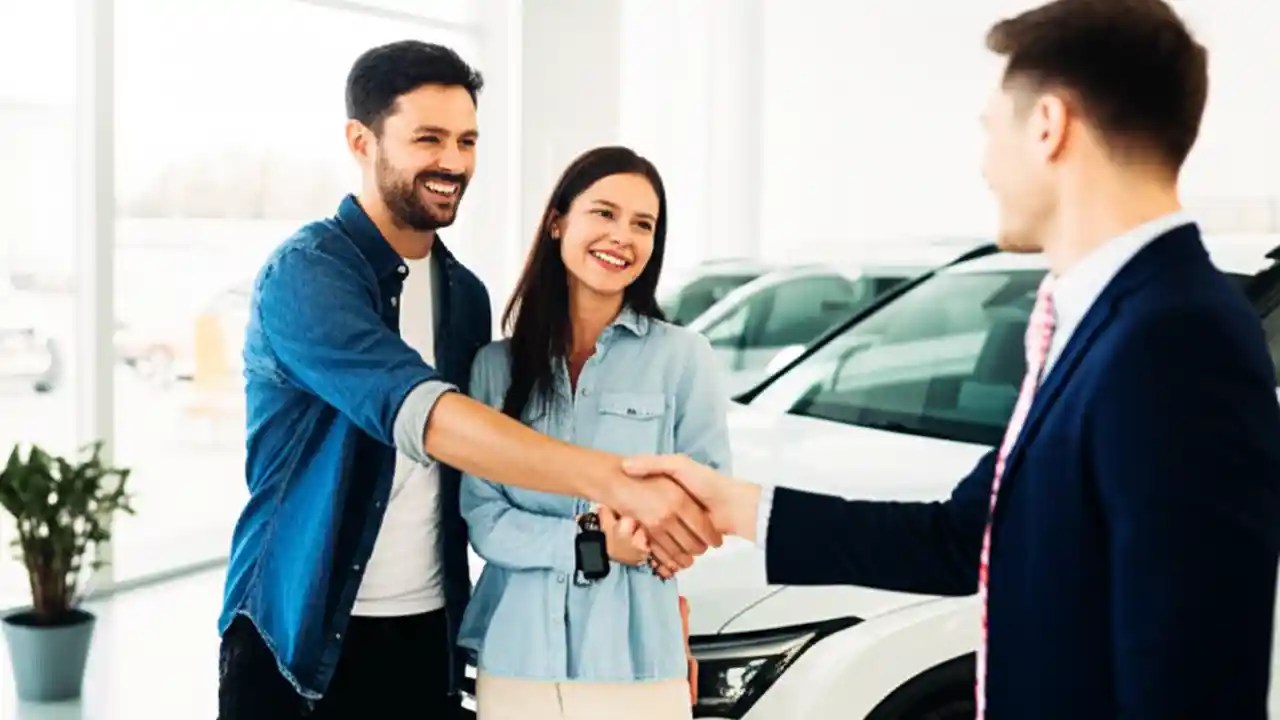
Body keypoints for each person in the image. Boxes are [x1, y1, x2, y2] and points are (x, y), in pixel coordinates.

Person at [623, 1, 1280, 718]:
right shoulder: (1102, 316)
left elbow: (1195, 682)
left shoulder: (1178, 340)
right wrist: (740, 507)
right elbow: (962, 536)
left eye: (989, 129)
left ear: (1048, 126)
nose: (985, 166)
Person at [216, 43, 719, 720]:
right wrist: (610, 483)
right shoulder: (309, 275)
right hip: (299, 634)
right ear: (361, 142)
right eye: (428, 138)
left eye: (467, 140)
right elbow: (426, 417)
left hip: (428, 631)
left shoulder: (465, 296)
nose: (452, 161)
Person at [457, 146, 730, 720]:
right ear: (558, 221)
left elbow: (705, 504)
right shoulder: (494, 367)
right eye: (604, 213)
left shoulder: (684, 357)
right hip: (516, 657)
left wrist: (660, 534)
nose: (622, 236)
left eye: (643, 224)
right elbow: (485, 518)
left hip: (635, 657)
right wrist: (596, 547)